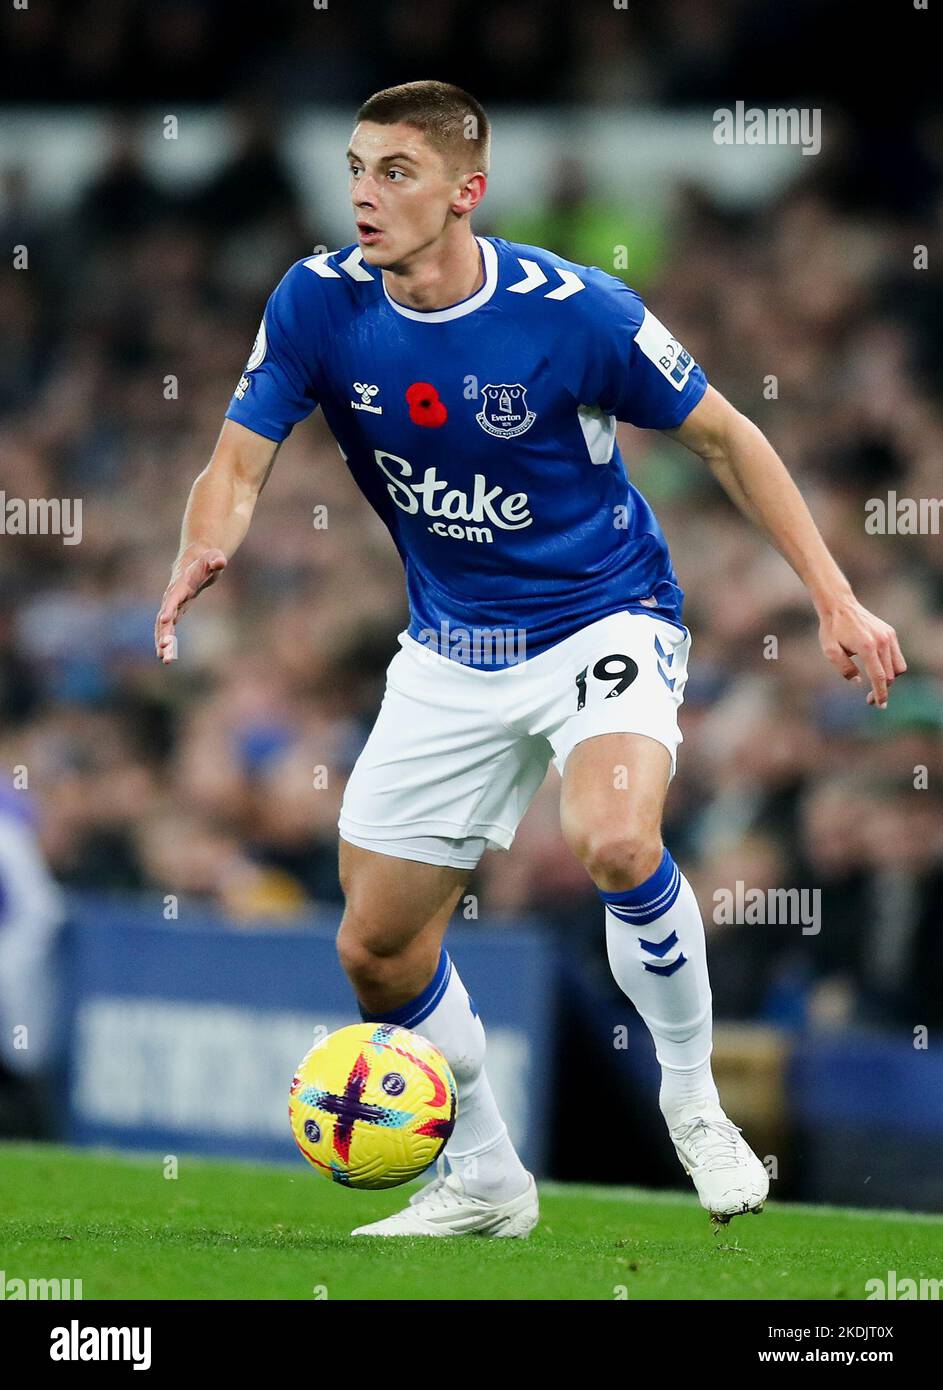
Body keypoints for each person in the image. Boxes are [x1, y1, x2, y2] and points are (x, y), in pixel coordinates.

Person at [155, 80, 906, 1237]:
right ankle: (490, 1180)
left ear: (467, 191)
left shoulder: (577, 312)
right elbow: (239, 459)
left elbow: (723, 435)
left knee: (614, 840)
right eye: (356, 167)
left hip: (603, 615)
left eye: (395, 172)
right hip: (452, 644)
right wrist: (204, 542)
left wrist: (834, 594)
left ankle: (697, 1104)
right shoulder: (316, 301)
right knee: (375, 946)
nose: (363, 192)